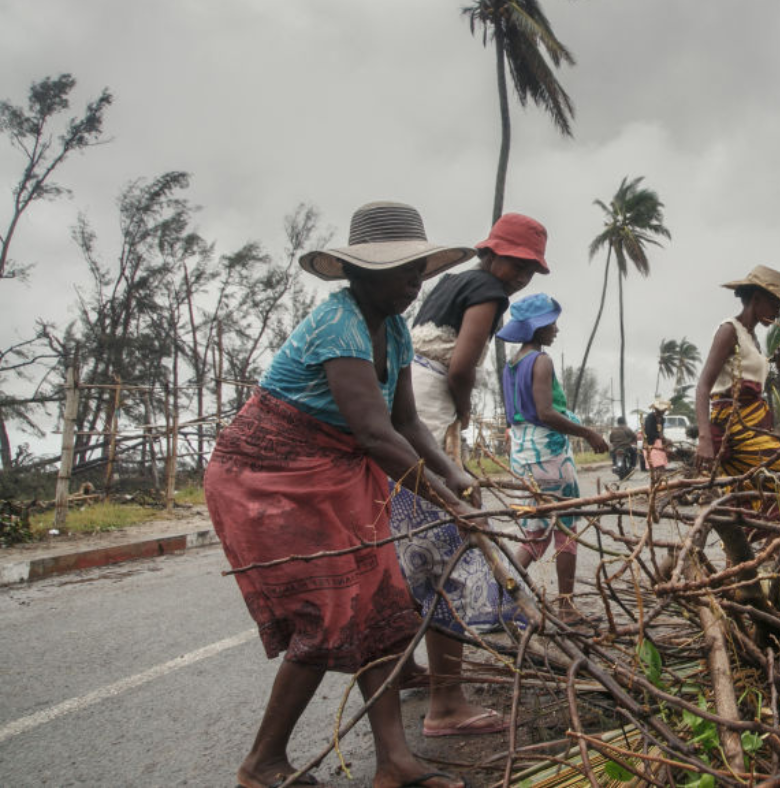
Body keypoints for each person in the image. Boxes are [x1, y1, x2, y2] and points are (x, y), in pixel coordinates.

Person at [205, 201, 473, 788]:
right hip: (268, 475)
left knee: (380, 605)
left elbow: (408, 423)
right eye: (402, 271)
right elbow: (376, 433)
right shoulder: (339, 323)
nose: (414, 282)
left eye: (418, 269)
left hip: (336, 471)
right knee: (329, 612)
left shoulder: (397, 330)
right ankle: (262, 762)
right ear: (360, 274)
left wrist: (457, 478)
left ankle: (395, 762)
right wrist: (447, 504)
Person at [387, 213, 548, 737]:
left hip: (405, 405)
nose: (521, 276)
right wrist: (463, 412)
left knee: (409, 550)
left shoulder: (450, 282)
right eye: (518, 264)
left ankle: (408, 669)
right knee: (447, 554)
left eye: (531, 270)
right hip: (429, 411)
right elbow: (461, 367)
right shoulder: (489, 290)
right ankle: (446, 704)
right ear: (494, 254)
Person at [498, 294, 609, 626]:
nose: (557, 329)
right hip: (550, 455)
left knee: (535, 532)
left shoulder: (511, 365)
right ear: (538, 327)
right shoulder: (541, 361)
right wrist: (588, 432)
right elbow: (546, 413)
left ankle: (502, 601)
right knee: (565, 528)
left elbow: (514, 417)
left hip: (524, 454)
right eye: (553, 323)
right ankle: (566, 607)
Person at [694, 264, 780, 493]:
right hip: (735, 426)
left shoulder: (752, 339)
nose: (778, 314)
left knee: (762, 489)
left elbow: (757, 378)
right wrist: (704, 438)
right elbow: (703, 386)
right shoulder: (729, 330)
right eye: (775, 305)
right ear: (756, 298)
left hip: (754, 425)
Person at [642, 398, 670, 473]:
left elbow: (661, 432)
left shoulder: (662, 419)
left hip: (659, 445)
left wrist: (664, 440)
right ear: (657, 409)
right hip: (650, 445)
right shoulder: (650, 417)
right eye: (662, 410)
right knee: (657, 466)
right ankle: (657, 481)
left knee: (662, 466)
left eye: (664, 410)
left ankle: (661, 482)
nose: (663, 411)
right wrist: (660, 437)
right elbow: (648, 432)